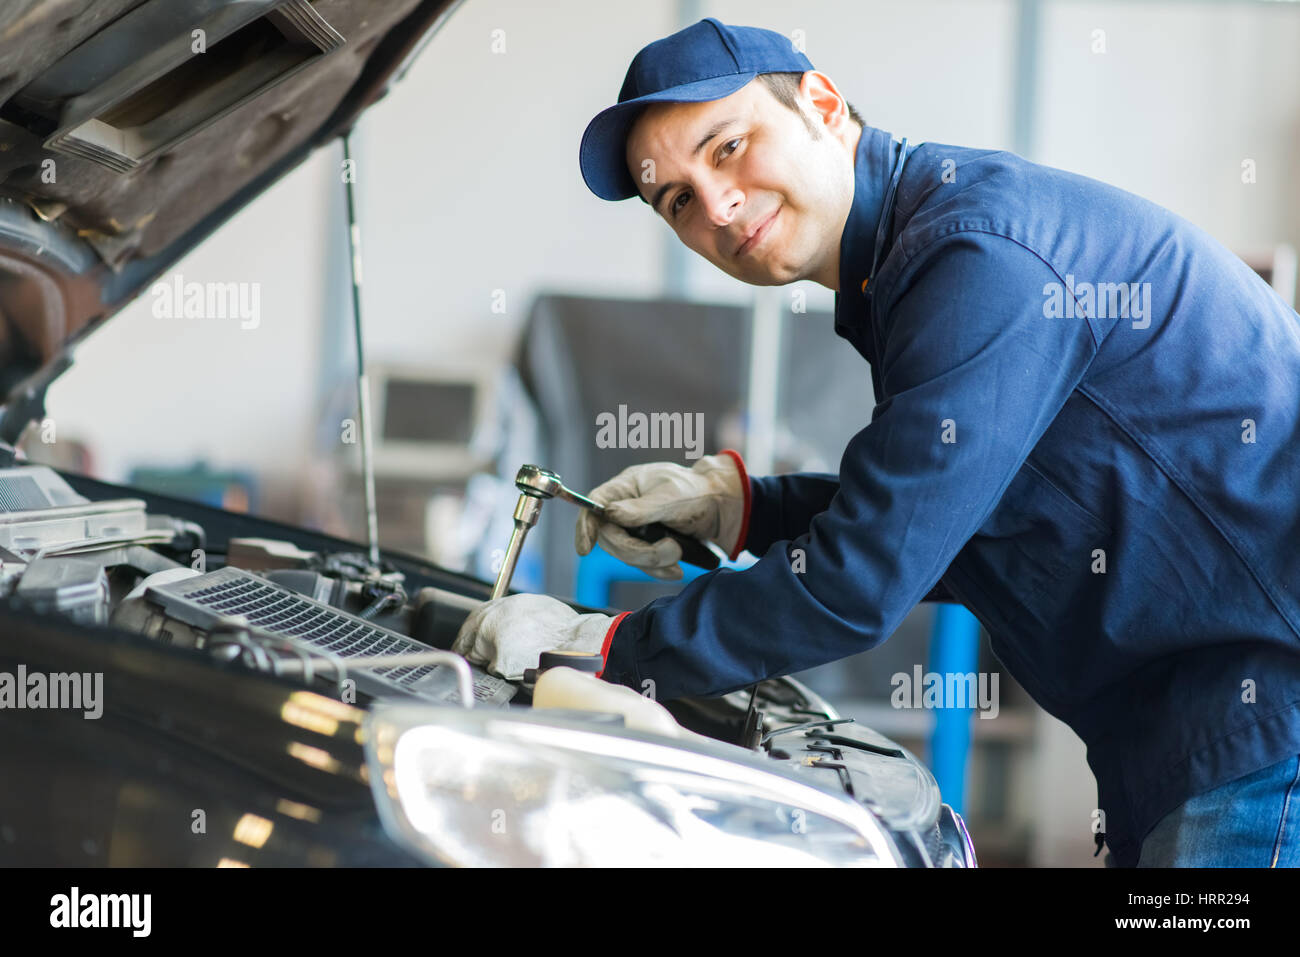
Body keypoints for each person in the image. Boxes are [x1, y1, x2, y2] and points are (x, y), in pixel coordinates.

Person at [453, 18, 1300, 867]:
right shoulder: (911, 267)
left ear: (822, 103)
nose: (716, 205)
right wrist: (740, 510)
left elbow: (863, 577)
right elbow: (954, 523)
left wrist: (604, 651)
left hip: (1263, 726)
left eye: (728, 147)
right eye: (676, 199)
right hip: (1200, 739)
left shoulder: (976, 258)